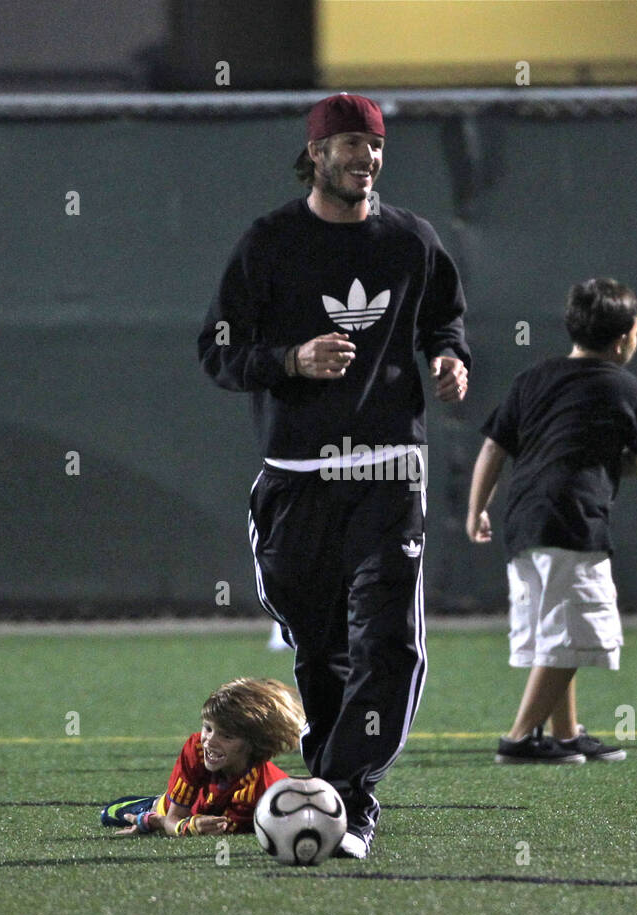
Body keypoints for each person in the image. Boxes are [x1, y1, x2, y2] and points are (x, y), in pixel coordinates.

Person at [196, 93, 470, 858]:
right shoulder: (270, 243)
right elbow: (219, 350)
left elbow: (445, 318)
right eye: (349, 144)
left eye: (375, 145)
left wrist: (451, 357)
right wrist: (291, 359)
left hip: (388, 474)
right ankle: (325, 779)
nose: (365, 158)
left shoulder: (411, 240)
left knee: (388, 643)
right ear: (315, 154)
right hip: (297, 479)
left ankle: (348, 794)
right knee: (320, 650)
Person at [467, 278, 637, 763]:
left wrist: (476, 509)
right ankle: (518, 738)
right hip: (573, 521)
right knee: (574, 635)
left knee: (556, 630)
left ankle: (566, 734)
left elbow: (495, 446)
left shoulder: (531, 379)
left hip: (523, 523)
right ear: (622, 340)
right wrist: (604, 459)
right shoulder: (625, 386)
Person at [101, 677, 306, 836]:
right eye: (208, 728)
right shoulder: (197, 749)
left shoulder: (261, 790)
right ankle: (152, 805)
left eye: (226, 736)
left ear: (254, 743)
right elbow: (174, 817)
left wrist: (157, 823)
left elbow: (215, 831)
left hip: (199, 811)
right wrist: (166, 822)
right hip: (169, 808)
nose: (209, 741)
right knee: (108, 814)